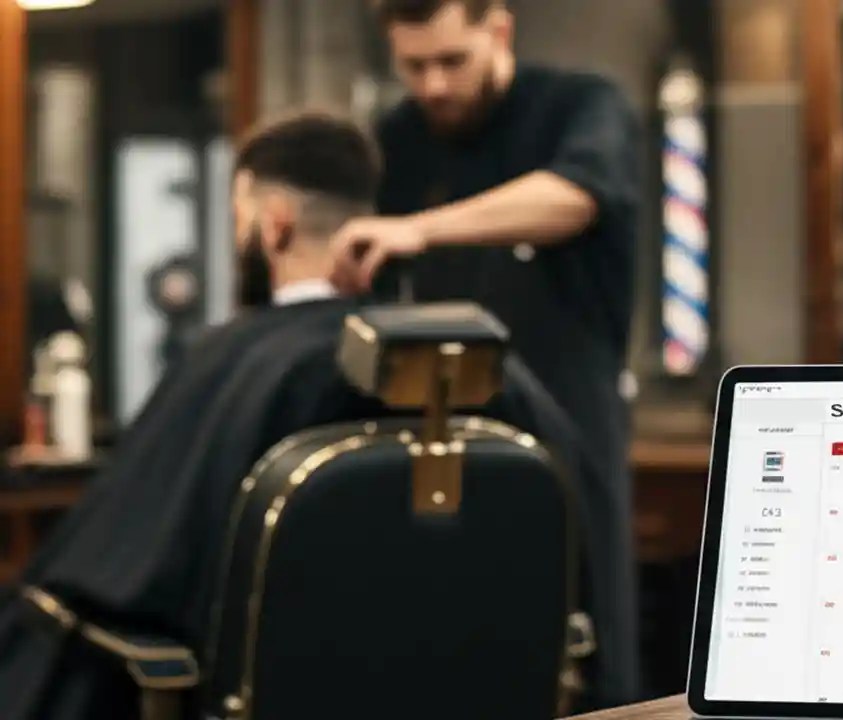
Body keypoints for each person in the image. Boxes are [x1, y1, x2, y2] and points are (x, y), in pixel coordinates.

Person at [0, 111, 606, 719]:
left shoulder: (233, 361)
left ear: (274, 225)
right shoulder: (483, 368)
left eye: (238, 219)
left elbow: (117, 580)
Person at [331, 0, 642, 706]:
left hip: (570, 422)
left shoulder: (582, 106)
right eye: (414, 66)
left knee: (589, 644)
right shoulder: (400, 137)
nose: (434, 85)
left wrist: (420, 229)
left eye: (452, 60)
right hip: (443, 434)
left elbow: (573, 199)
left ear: (498, 30)